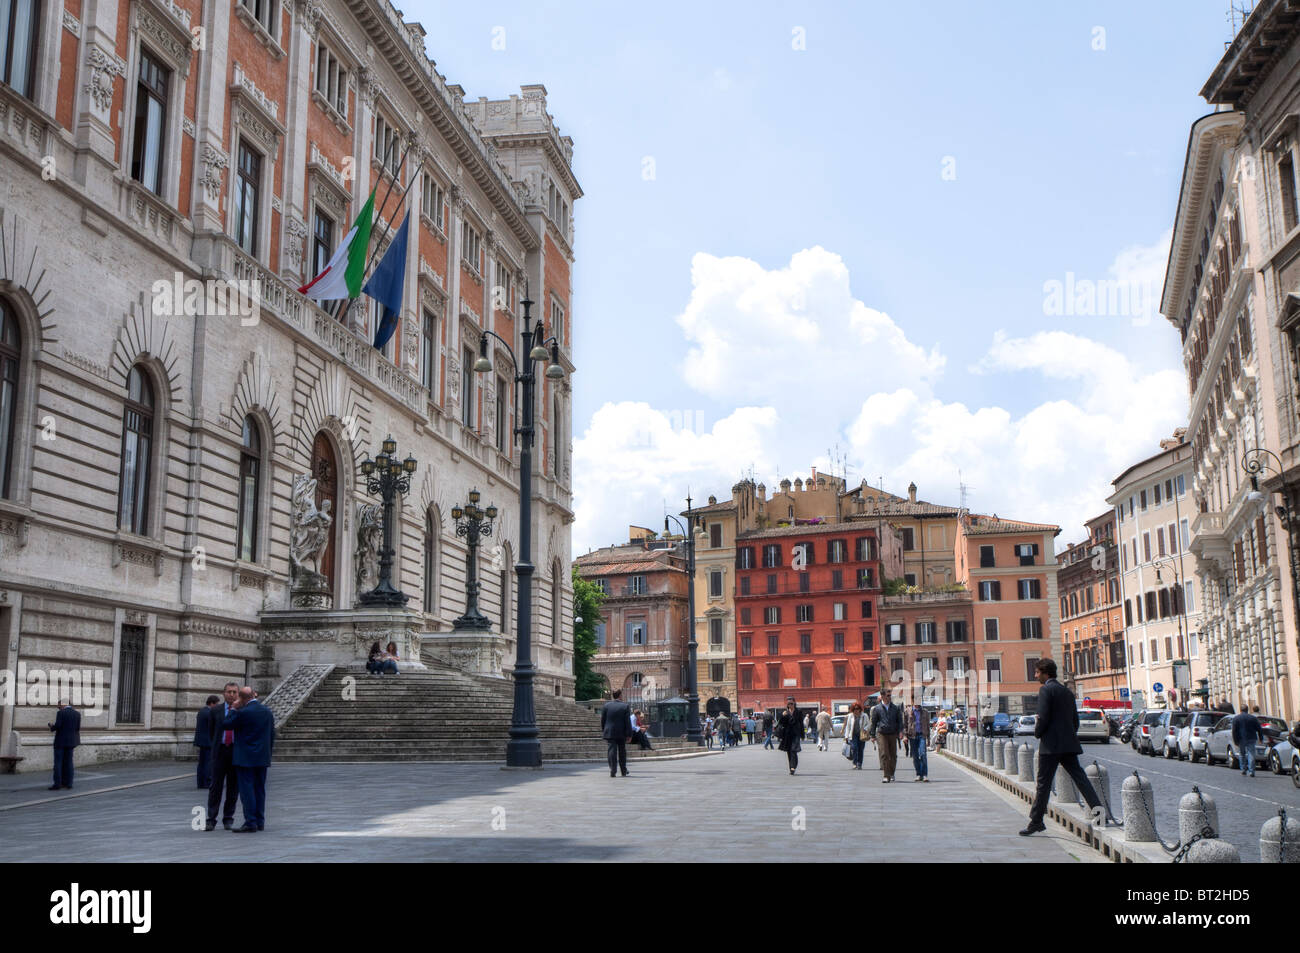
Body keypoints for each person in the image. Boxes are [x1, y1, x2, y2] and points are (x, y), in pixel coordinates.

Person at [1021, 658, 1104, 836]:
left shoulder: (1045, 690)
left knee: (1043, 784)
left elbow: (1042, 717)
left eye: (1037, 673)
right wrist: (1068, 735)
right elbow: (1075, 721)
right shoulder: (1066, 692)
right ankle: (1100, 815)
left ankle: (1036, 822)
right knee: (1081, 779)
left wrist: (1038, 732)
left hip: (1050, 745)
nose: (1035, 676)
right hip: (1068, 743)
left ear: (1045, 673)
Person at [223, 686, 274, 832]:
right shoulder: (267, 712)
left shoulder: (243, 712)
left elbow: (226, 724)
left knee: (247, 791)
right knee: (260, 789)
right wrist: (267, 754)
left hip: (245, 758)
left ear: (243, 698)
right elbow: (272, 735)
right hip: (262, 757)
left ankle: (250, 822)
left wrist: (233, 708)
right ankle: (260, 821)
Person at [205, 682, 241, 831]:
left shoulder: (242, 710)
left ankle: (228, 818)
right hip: (219, 752)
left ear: (238, 694)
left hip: (235, 752)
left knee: (233, 787)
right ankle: (211, 819)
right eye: (228, 692)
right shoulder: (215, 711)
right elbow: (212, 732)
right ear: (223, 693)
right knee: (215, 787)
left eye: (234, 692)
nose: (231, 695)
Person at [869, 688, 905, 782]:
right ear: (883, 696)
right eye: (888, 695)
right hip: (882, 733)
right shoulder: (877, 709)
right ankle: (886, 775)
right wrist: (872, 735)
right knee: (884, 754)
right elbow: (873, 722)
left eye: (890, 695)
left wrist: (901, 731)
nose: (890, 697)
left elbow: (900, 721)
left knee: (893, 755)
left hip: (893, 733)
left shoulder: (896, 708)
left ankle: (892, 773)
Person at [46, 699, 81, 791]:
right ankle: (69, 783)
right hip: (71, 742)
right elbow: (77, 728)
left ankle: (57, 784)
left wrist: (51, 726)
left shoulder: (61, 713)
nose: (58, 707)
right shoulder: (77, 714)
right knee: (69, 762)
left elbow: (58, 726)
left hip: (60, 742)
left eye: (59, 705)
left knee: (58, 762)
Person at [601, 689, 632, 777]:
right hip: (621, 732)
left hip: (609, 732)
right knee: (622, 752)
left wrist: (604, 730)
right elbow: (627, 722)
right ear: (620, 696)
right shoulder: (625, 706)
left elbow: (603, 720)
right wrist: (629, 734)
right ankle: (623, 770)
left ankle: (613, 770)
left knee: (611, 751)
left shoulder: (606, 706)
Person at [193, 695, 220, 789]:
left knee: (202, 763)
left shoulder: (202, 711)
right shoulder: (209, 713)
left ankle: (201, 782)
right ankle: (207, 782)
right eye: (216, 704)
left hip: (201, 741)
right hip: (208, 741)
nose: (217, 706)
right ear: (212, 703)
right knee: (208, 763)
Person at [1231, 706, 1263, 777]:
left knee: (1242, 754)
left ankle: (1243, 769)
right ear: (1247, 710)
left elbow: (1234, 731)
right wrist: (1261, 738)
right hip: (1251, 737)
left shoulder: (1236, 718)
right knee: (1251, 754)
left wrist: (1235, 740)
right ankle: (1251, 771)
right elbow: (1259, 729)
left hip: (1241, 738)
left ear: (1240, 710)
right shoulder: (1253, 718)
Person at [776, 699, 805, 775]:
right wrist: (783, 716)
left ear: (794, 704)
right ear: (787, 705)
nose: (790, 705)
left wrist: (802, 735)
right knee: (789, 751)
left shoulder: (798, 712)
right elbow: (781, 723)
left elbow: (801, 723)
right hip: (787, 734)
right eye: (789, 704)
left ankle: (793, 766)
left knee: (793, 750)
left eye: (792, 704)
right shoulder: (785, 712)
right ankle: (791, 768)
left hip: (796, 734)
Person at [905, 704, 931, 781]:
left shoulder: (925, 712)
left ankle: (925, 774)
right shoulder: (908, 711)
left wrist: (928, 738)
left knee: (923, 754)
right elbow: (905, 725)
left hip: (922, 735)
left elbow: (927, 725)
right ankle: (918, 774)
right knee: (915, 756)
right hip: (912, 736)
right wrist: (905, 736)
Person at [844, 702, 868, 769]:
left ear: (860, 709)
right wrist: (846, 736)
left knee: (861, 749)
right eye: (854, 709)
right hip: (853, 735)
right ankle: (854, 763)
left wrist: (865, 729)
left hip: (862, 735)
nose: (856, 710)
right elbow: (848, 727)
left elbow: (868, 724)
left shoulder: (864, 715)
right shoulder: (850, 716)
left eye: (857, 709)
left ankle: (859, 763)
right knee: (854, 748)